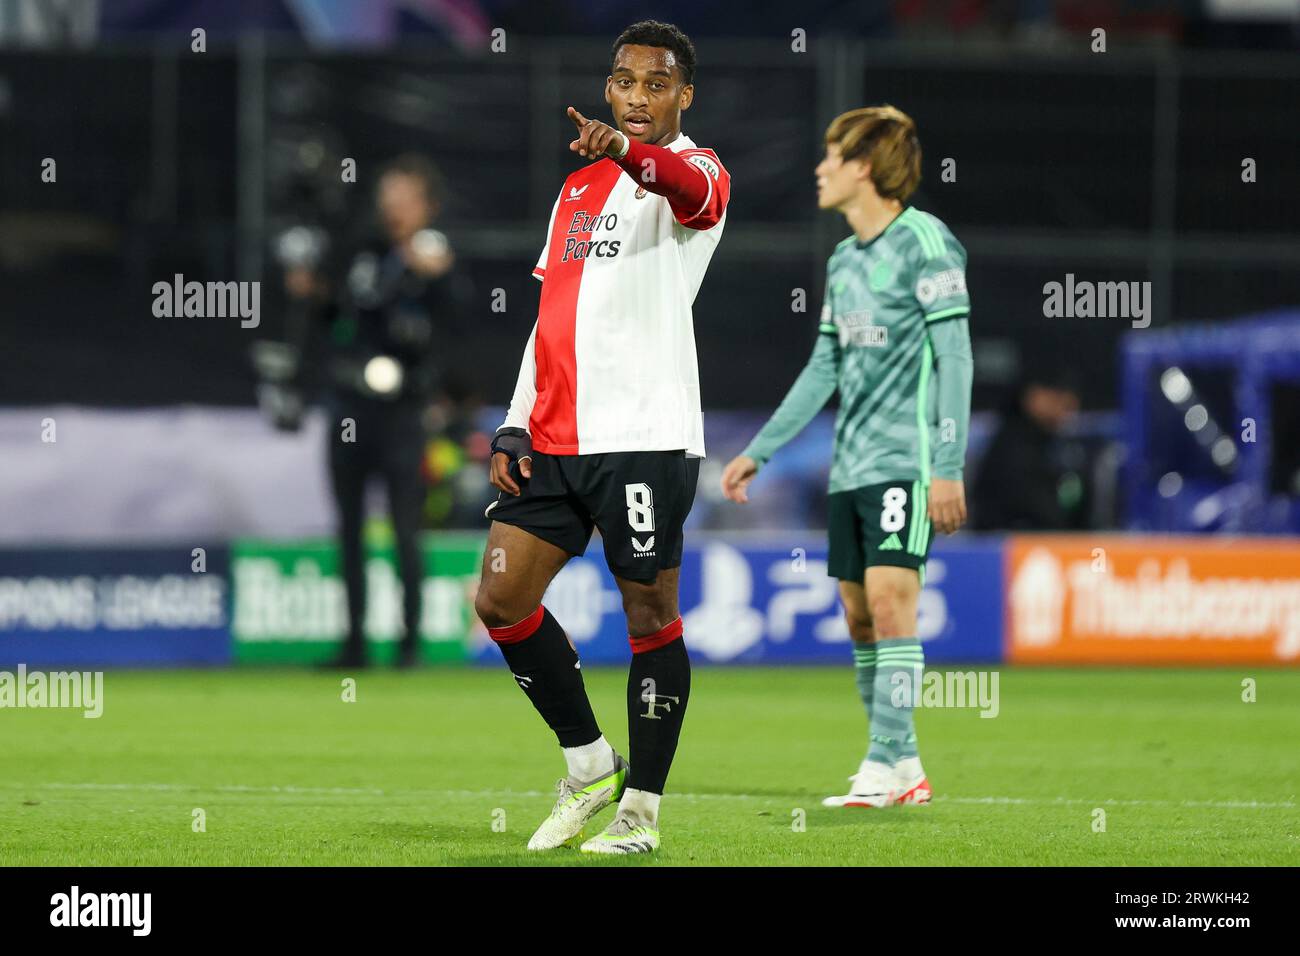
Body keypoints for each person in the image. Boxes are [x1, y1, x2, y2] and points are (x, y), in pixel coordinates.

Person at [473, 20, 729, 854]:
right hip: (554, 437)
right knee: (501, 599)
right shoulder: (577, 192)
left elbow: (693, 193)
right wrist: (514, 418)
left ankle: (641, 813)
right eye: (625, 81)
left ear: (683, 95)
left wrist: (623, 147)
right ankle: (588, 764)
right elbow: (548, 320)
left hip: (644, 439)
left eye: (657, 84)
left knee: (649, 614)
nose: (638, 97)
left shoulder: (692, 174)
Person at [721, 105, 973, 809]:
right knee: (860, 615)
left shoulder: (927, 244)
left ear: (864, 167)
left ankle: (881, 762)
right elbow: (823, 369)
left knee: (893, 605)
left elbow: (955, 358)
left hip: (906, 458)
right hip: (851, 464)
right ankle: (906, 765)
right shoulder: (843, 260)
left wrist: (946, 465)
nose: (820, 168)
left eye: (832, 156)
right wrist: (761, 450)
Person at [286, 154, 458, 669]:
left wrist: (438, 280)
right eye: (389, 194)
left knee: (407, 527)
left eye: (404, 196)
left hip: (403, 411)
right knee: (349, 527)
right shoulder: (361, 251)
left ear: (426, 205)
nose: (393, 205)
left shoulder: (434, 260)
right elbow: (334, 314)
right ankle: (354, 643)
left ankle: (410, 644)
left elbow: (457, 325)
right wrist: (313, 294)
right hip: (349, 407)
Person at [970, 371, 1083, 530]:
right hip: (1005, 542)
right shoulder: (1011, 447)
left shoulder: (1055, 444)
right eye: (1056, 395)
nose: (1069, 404)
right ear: (1033, 397)